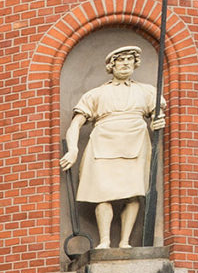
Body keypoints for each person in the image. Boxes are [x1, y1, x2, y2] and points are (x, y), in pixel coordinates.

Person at [61, 44, 166, 250]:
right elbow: (76, 124)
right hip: (102, 144)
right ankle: (104, 241)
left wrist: (157, 124)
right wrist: (73, 149)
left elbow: (157, 118)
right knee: (102, 192)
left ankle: (125, 241)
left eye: (129, 59)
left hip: (135, 142)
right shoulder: (96, 94)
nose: (126, 63)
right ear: (112, 65)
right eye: (121, 60)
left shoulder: (146, 92)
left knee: (133, 192)